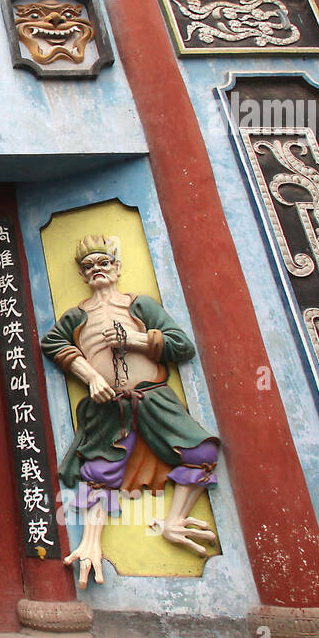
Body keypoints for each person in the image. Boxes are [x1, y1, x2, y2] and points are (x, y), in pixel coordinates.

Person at [40, 234, 220, 587]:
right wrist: (90, 375)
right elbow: (52, 342)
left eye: (103, 263)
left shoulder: (139, 305)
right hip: (108, 404)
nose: (97, 270)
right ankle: (90, 544)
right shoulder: (77, 314)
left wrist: (136, 339)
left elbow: (182, 345)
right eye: (89, 266)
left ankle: (174, 521)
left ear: (117, 267)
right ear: (82, 274)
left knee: (201, 450)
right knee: (98, 470)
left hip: (153, 396)